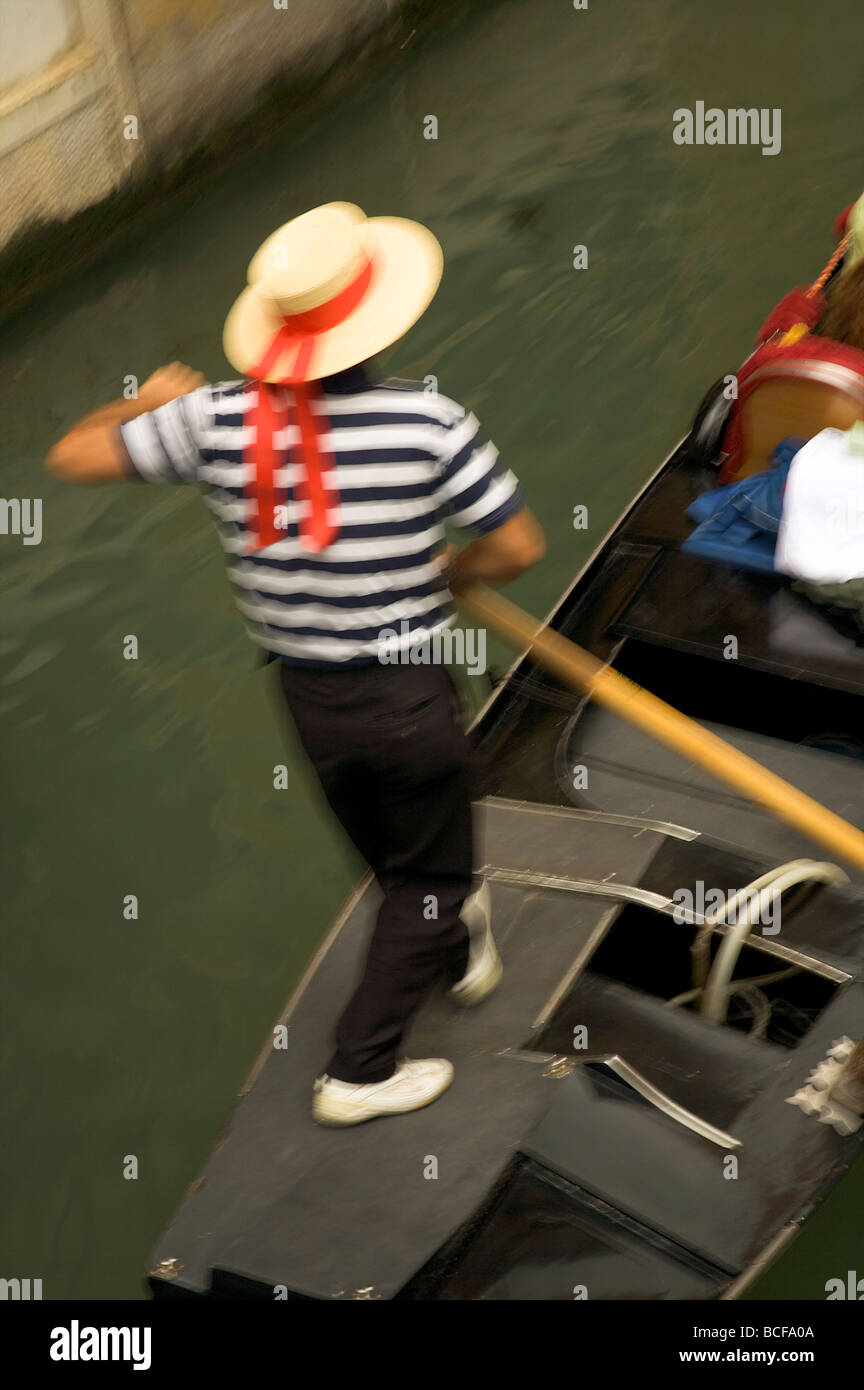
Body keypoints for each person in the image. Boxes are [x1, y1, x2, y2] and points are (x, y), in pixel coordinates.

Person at [45, 201, 545, 1127]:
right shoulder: (428, 422)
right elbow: (516, 546)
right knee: (431, 876)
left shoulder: (213, 421)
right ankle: (359, 1071)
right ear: (377, 324)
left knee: (401, 870)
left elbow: (70, 455)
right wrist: (453, 567)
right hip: (406, 698)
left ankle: (451, 945)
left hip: (311, 705)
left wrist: (148, 403)